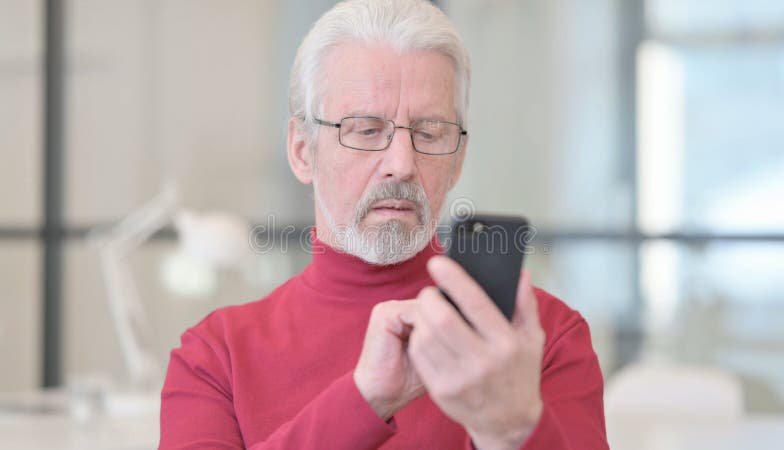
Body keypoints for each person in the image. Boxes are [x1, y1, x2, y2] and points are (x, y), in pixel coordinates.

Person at [159, 0, 608, 449]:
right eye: (366, 129)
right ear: (302, 151)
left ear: (457, 160)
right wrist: (364, 400)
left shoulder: (536, 340)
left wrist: (511, 428)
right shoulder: (215, 357)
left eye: (429, 133)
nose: (401, 164)